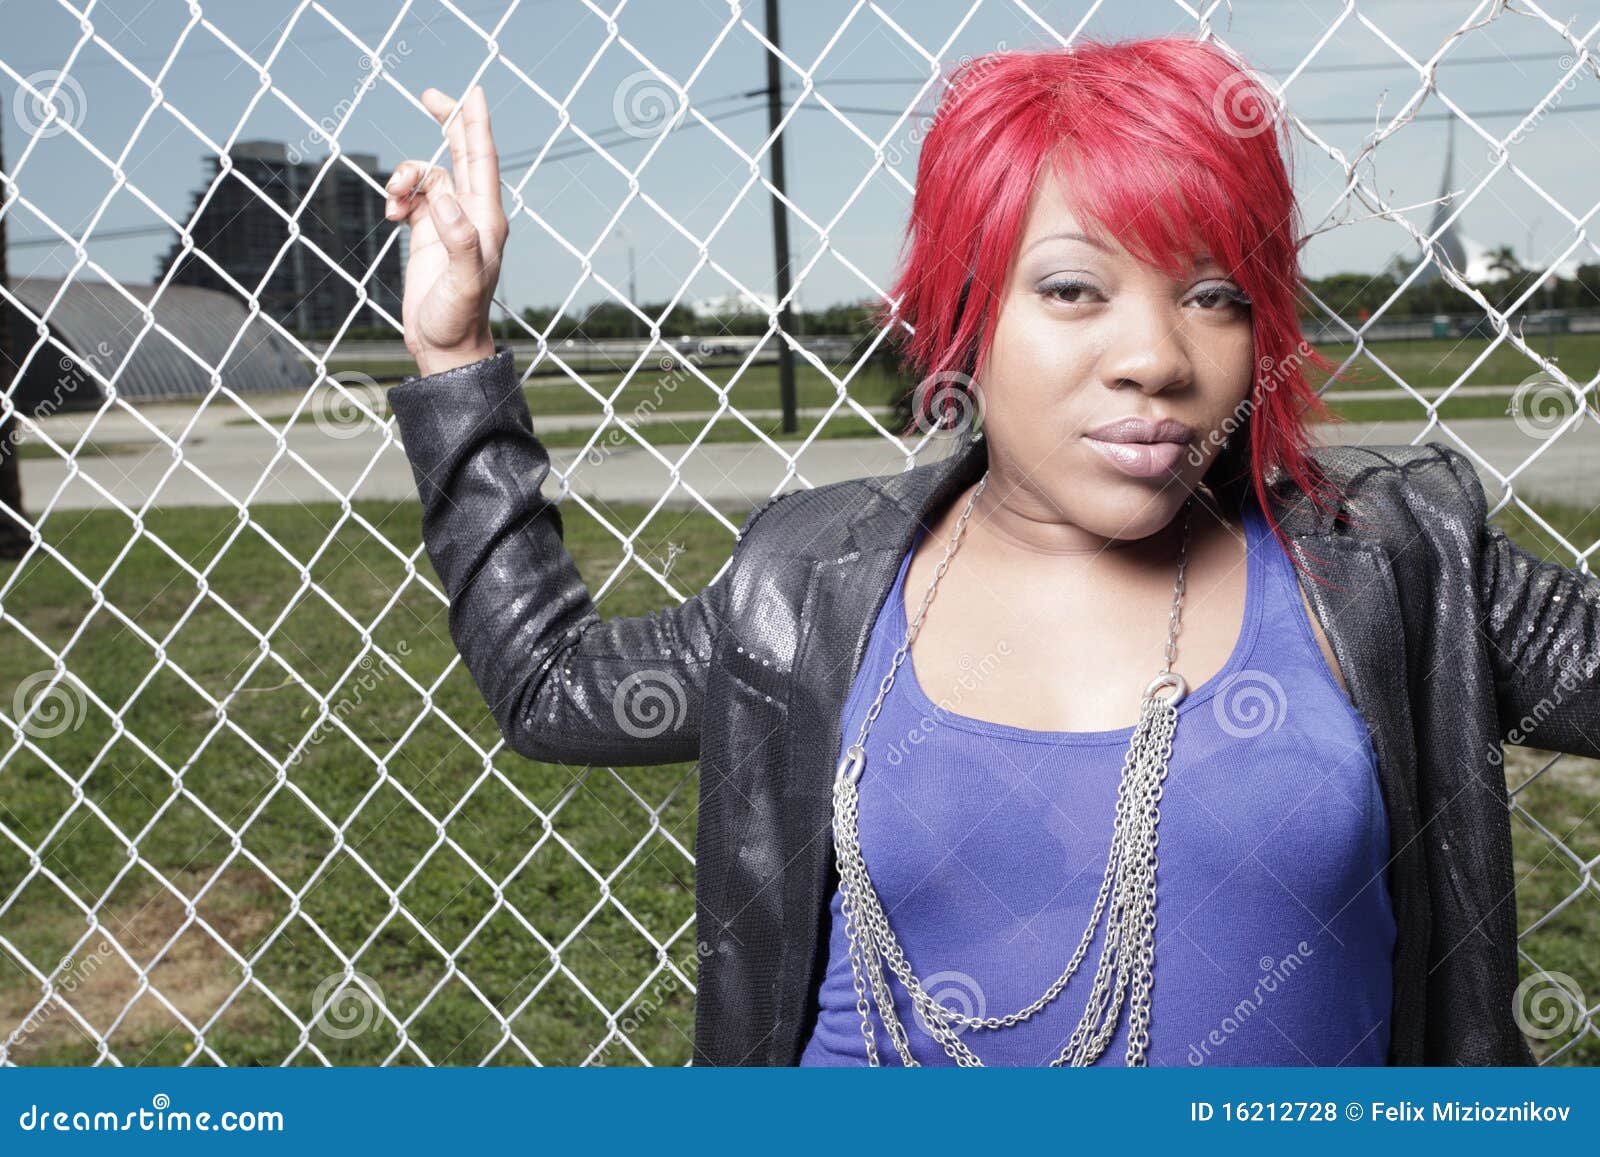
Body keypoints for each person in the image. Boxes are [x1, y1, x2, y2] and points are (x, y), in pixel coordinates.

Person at [381, 41, 1592, 1066]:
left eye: (1215, 294)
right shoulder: (813, 580)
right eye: (1073, 289)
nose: (1155, 357)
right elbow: (553, 686)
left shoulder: (1385, 560)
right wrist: (455, 362)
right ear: (966, 309)